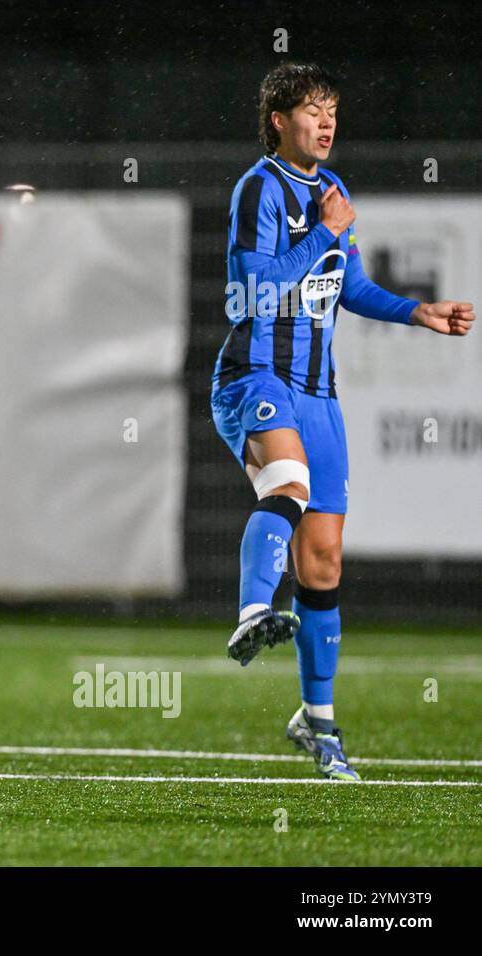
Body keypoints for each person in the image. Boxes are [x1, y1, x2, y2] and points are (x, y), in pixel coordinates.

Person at [211, 64, 474, 780]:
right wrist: (323, 233)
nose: (326, 123)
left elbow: (347, 284)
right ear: (278, 119)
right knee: (287, 482)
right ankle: (250, 611)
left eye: (332, 110)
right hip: (255, 375)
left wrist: (416, 312)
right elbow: (253, 291)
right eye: (311, 111)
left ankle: (317, 723)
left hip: (318, 393)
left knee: (323, 562)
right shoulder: (257, 188)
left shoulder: (336, 194)